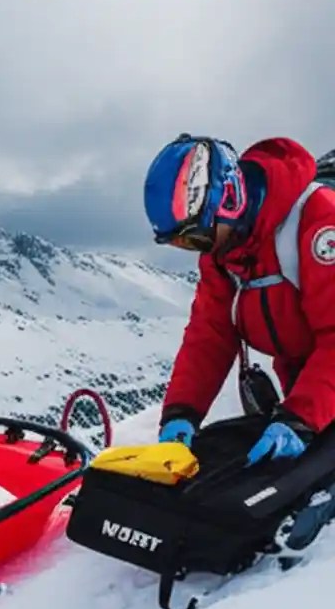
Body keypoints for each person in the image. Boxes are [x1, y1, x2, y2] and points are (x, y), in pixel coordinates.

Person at [144, 133, 335, 466]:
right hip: (308, 377)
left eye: (196, 238)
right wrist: (182, 411)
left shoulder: (319, 222)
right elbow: (211, 334)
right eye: (182, 244)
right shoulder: (225, 250)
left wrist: (301, 417)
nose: (197, 251)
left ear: (229, 200)